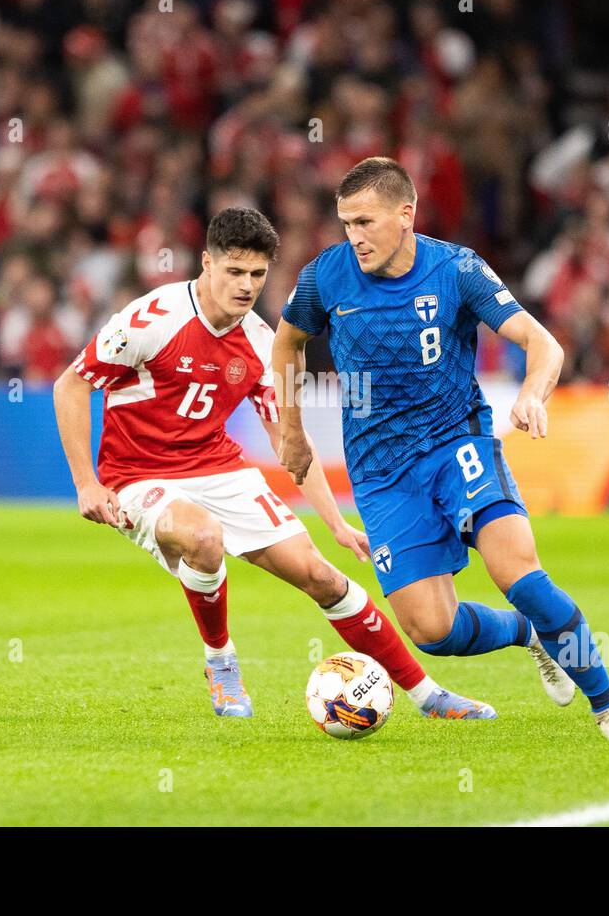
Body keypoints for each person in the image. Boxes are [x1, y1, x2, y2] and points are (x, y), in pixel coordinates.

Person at [53, 206, 495, 721]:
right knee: (202, 538)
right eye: (234, 272)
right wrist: (87, 484)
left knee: (323, 577)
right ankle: (221, 666)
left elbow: (293, 443)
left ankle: (429, 696)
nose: (246, 286)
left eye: (257, 275)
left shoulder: (265, 345)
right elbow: (71, 384)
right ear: (206, 264)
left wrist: (336, 524)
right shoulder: (151, 319)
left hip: (218, 469)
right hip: (137, 478)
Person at [273, 157, 609, 741]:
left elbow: (541, 342)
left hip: (458, 444)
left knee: (518, 573)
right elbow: (288, 342)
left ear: (406, 214)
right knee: (432, 631)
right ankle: (531, 635)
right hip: (380, 473)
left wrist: (531, 394)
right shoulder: (326, 276)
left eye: (365, 222)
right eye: (346, 223)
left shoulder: (456, 269)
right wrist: (292, 429)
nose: (354, 236)